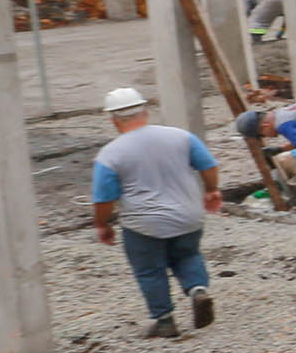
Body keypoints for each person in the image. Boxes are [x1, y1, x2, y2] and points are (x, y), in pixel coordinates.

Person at [90, 87, 220, 340]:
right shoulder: (181, 137)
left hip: (144, 224)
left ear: (114, 120)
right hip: (188, 216)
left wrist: (102, 225)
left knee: (150, 270)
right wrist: (212, 190)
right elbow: (209, 165)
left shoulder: (110, 154)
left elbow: (104, 199)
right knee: (188, 255)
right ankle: (197, 290)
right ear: (145, 112)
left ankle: (164, 321)